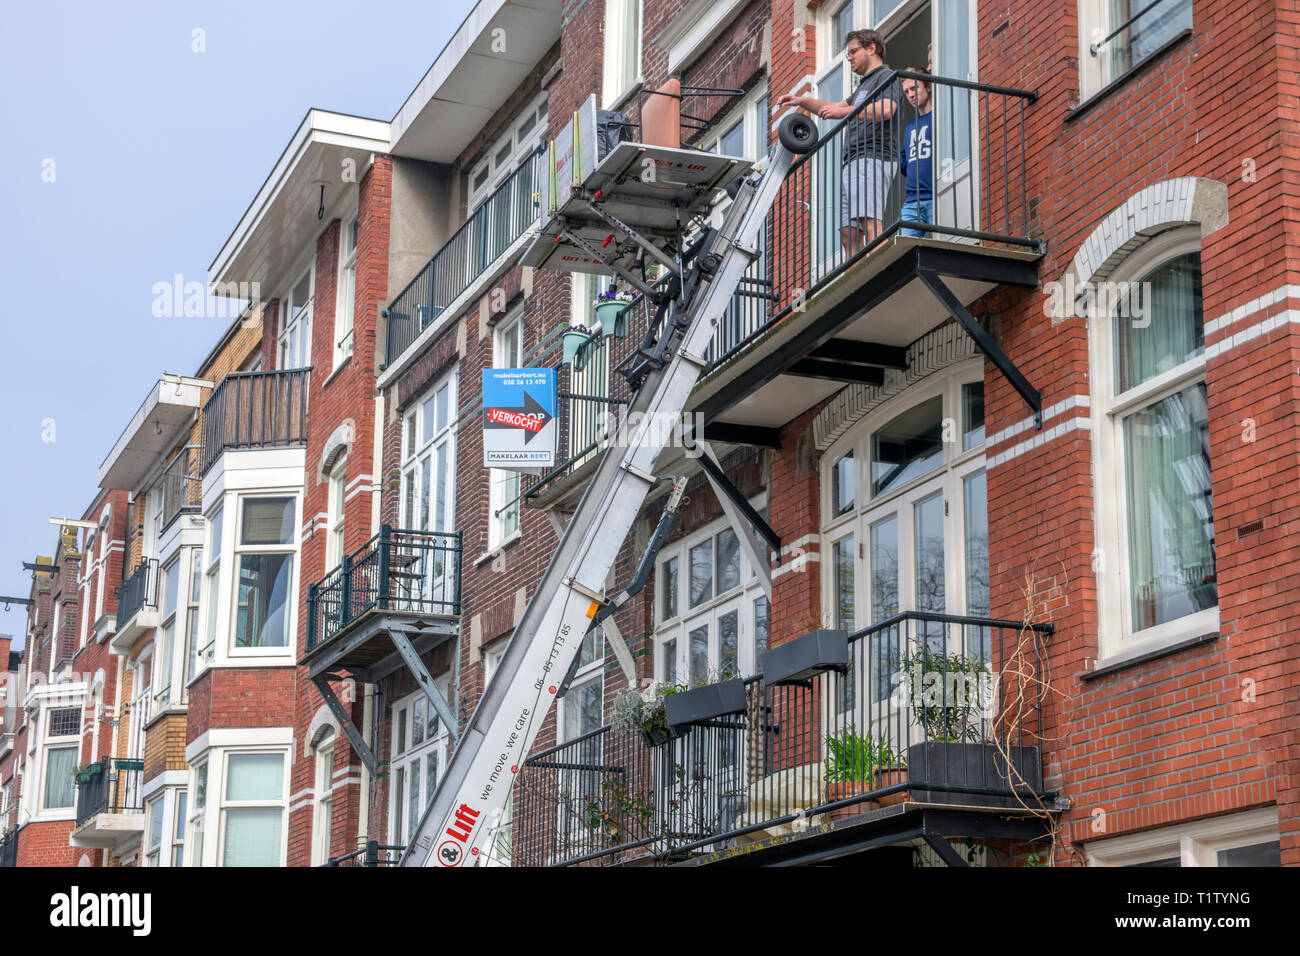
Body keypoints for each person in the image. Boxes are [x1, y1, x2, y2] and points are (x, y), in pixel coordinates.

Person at [775, 29, 902, 255]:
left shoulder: (886, 76)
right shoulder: (863, 87)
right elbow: (832, 106)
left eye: (853, 51)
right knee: (848, 233)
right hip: (853, 161)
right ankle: (858, 280)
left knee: (869, 221)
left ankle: (881, 270)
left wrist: (842, 112)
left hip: (871, 156)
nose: (849, 58)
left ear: (872, 48)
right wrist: (801, 100)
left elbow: (886, 109)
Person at [899, 72, 933, 238]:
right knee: (904, 252)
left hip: (936, 196)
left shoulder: (940, 118)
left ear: (928, 86)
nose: (911, 95)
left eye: (914, 88)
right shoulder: (909, 127)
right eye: (907, 92)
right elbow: (904, 163)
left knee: (946, 249)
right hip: (912, 201)